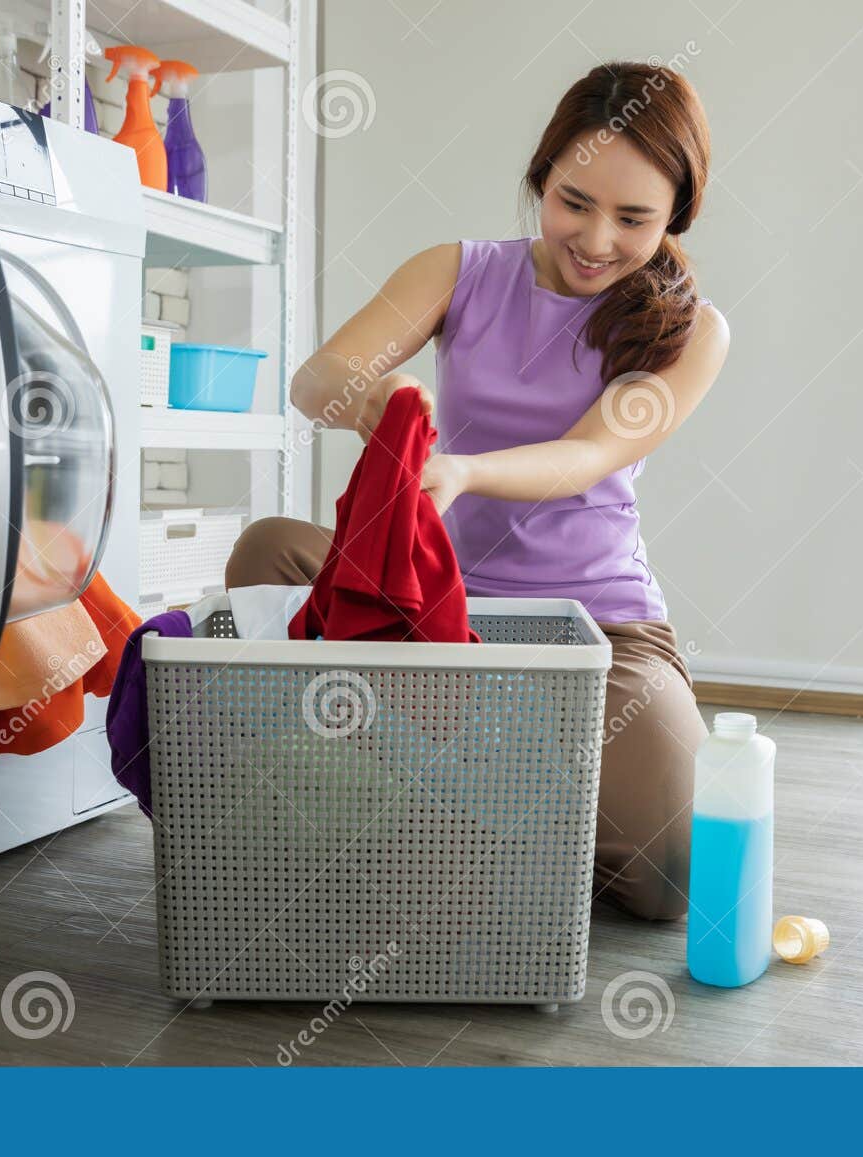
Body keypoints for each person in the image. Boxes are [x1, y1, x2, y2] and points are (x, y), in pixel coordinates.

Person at [225, 60, 729, 920]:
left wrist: (464, 471)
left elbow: (585, 456)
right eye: (574, 202)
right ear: (540, 180)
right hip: (436, 609)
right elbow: (316, 379)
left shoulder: (692, 331)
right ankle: (455, 807)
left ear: (676, 213)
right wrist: (379, 401)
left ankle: (476, 815)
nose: (596, 239)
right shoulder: (459, 271)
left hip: (599, 627)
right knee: (269, 550)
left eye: (633, 218)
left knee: (668, 880)